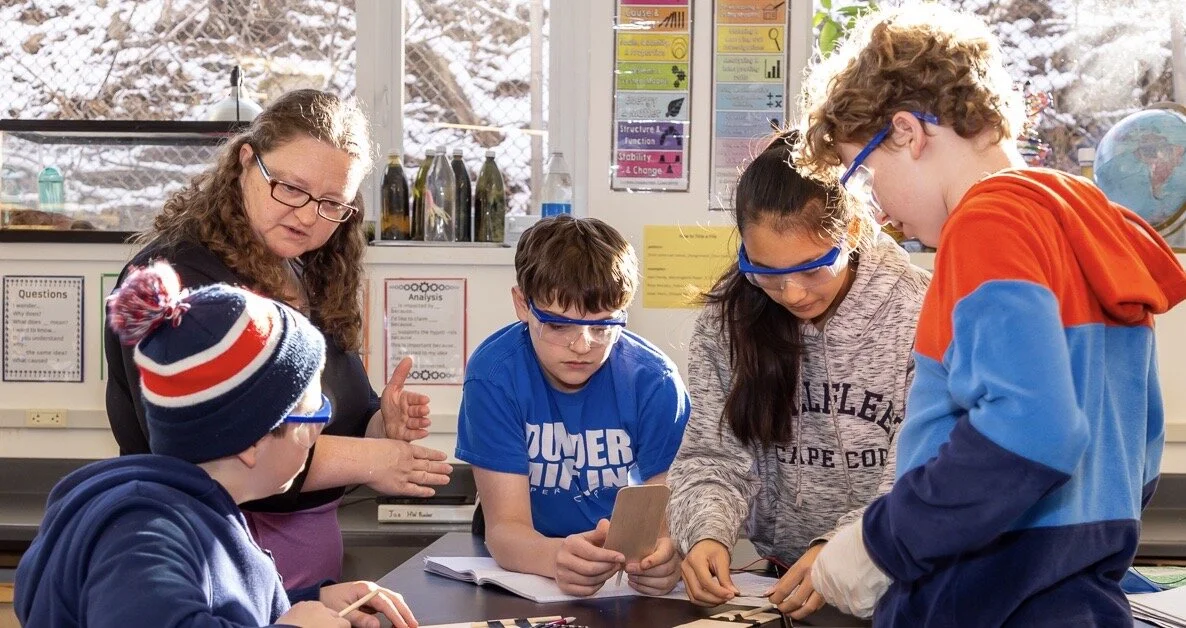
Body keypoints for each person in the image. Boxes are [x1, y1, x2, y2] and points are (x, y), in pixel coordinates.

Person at [795, 5, 1186, 624]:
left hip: (985, 597)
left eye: (866, 177)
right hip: (1080, 593)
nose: (881, 213)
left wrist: (884, 542)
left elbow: (1033, 428)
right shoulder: (1085, 220)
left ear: (906, 132)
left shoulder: (987, 223)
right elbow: (1139, 448)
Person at [103, 89, 452, 589]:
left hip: (301, 578)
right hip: (205, 564)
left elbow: (324, 420)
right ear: (247, 160)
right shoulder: (181, 281)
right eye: (291, 188)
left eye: (333, 203)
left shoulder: (309, 268)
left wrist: (379, 426)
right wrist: (372, 460)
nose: (309, 216)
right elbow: (213, 450)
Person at [17, 262, 418, 628]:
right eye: (314, 417)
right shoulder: (144, 535)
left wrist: (308, 601)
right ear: (250, 441)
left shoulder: (204, 512)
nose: (322, 430)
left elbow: (210, 611)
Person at [666, 133, 929, 621]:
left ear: (851, 232)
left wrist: (841, 549)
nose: (790, 293)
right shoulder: (728, 322)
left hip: (898, 585)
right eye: (764, 271)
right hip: (781, 589)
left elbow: (918, 475)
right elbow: (712, 458)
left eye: (812, 269)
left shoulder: (921, 311)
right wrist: (705, 532)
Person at [455, 215, 691, 596]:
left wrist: (668, 558)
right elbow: (504, 530)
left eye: (602, 327)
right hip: (526, 569)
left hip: (622, 572)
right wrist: (555, 557)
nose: (582, 346)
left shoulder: (655, 381)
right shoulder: (494, 376)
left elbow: (667, 515)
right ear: (522, 305)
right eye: (559, 325)